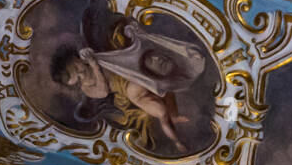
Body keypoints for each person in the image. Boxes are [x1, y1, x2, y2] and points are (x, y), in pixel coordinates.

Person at [51, 18, 206, 153]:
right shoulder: (88, 86)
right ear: (75, 84)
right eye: (77, 78)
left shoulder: (96, 57)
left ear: (76, 58)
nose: (82, 74)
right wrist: (93, 64)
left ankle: (177, 102)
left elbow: (122, 57)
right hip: (130, 91)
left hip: (133, 73)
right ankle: (176, 140)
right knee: (161, 113)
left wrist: (134, 35)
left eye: (77, 68)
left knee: (162, 81)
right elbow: (104, 91)